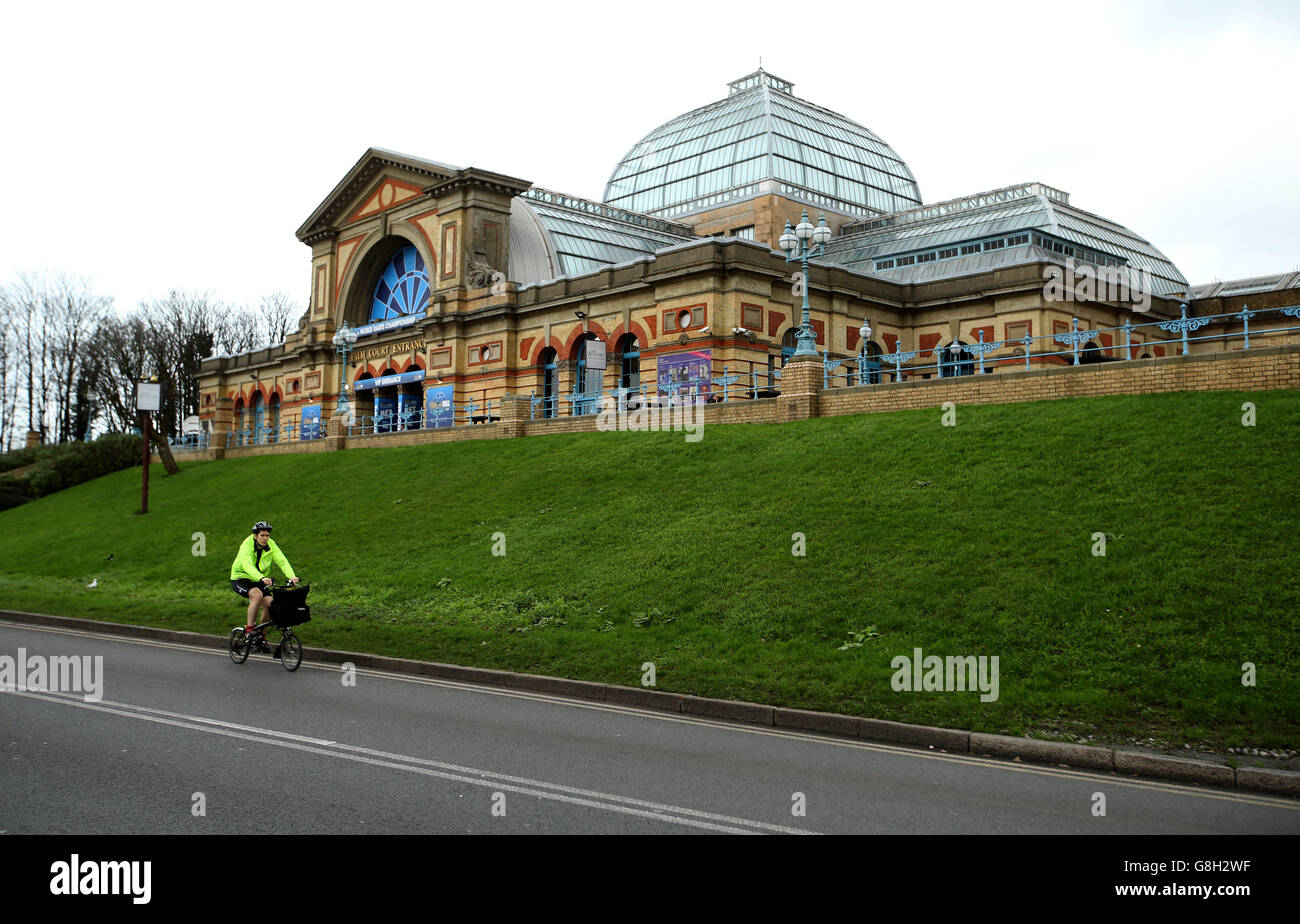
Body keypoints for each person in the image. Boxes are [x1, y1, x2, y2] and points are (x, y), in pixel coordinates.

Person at [230, 521, 298, 645]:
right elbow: (247, 565)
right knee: (257, 595)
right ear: (255, 536)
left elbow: (282, 561)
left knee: (270, 605)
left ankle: (261, 636)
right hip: (241, 577)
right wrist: (261, 577)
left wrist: (291, 576)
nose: (265, 538)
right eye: (262, 535)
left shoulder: (271, 545)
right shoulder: (247, 544)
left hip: (259, 579)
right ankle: (249, 630)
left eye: (267, 535)